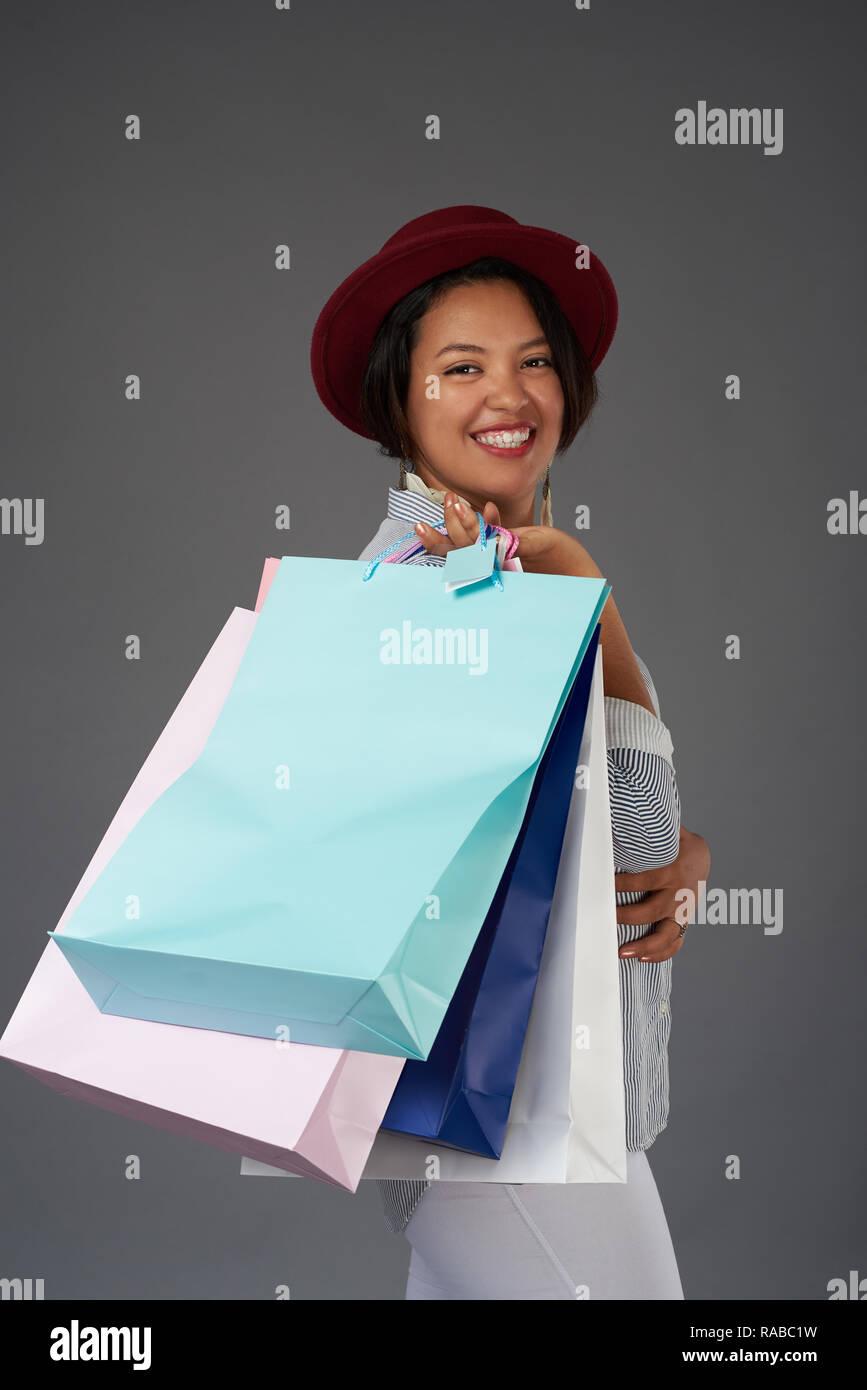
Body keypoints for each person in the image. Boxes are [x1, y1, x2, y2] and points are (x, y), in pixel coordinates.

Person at [311, 205, 710, 1300]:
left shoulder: (461, 569)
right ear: (401, 399)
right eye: (461, 366)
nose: (509, 394)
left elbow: (597, 847)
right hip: (517, 1120)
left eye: (534, 361)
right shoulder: (460, 584)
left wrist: (689, 852)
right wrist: (595, 599)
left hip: (482, 1120)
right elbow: (633, 836)